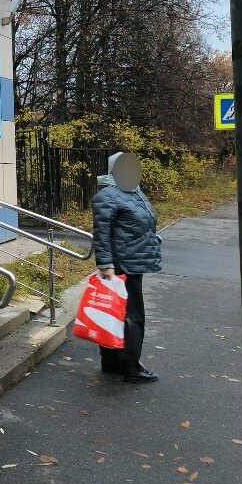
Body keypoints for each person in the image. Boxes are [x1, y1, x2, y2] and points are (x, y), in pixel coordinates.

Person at [90, 152, 162, 383]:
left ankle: (112, 363)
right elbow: (101, 234)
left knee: (117, 313)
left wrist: (151, 237)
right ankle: (131, 366)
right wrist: (105, 264)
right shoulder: (108, 195)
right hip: (122, 263)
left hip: (134, 258)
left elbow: (138, 222)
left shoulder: (133, 192)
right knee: (131, 316)